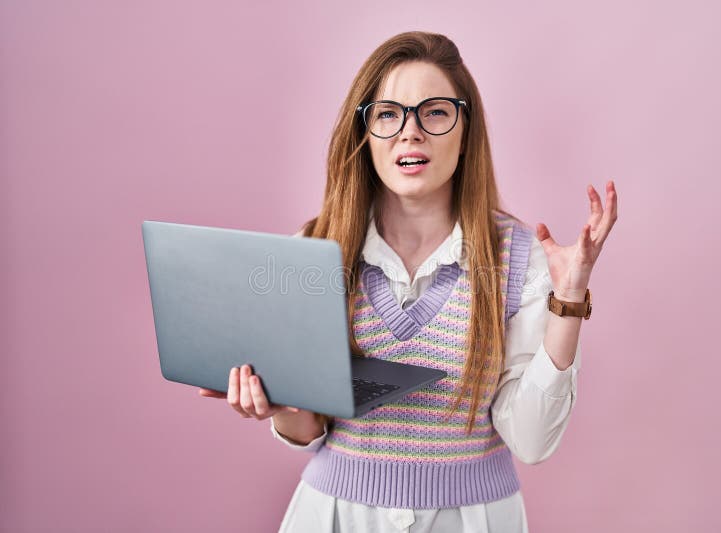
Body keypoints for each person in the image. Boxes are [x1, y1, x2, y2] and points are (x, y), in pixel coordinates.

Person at [199, 30, 618, 532]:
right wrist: (280, 405)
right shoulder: (313, 250)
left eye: (435, 112)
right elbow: (308, 428)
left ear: (466, 134)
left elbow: (531, 441)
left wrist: (567, 301)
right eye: (387, 114)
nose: (410, 132)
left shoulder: (520, 257)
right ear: (365, 133)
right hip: (333, 517)